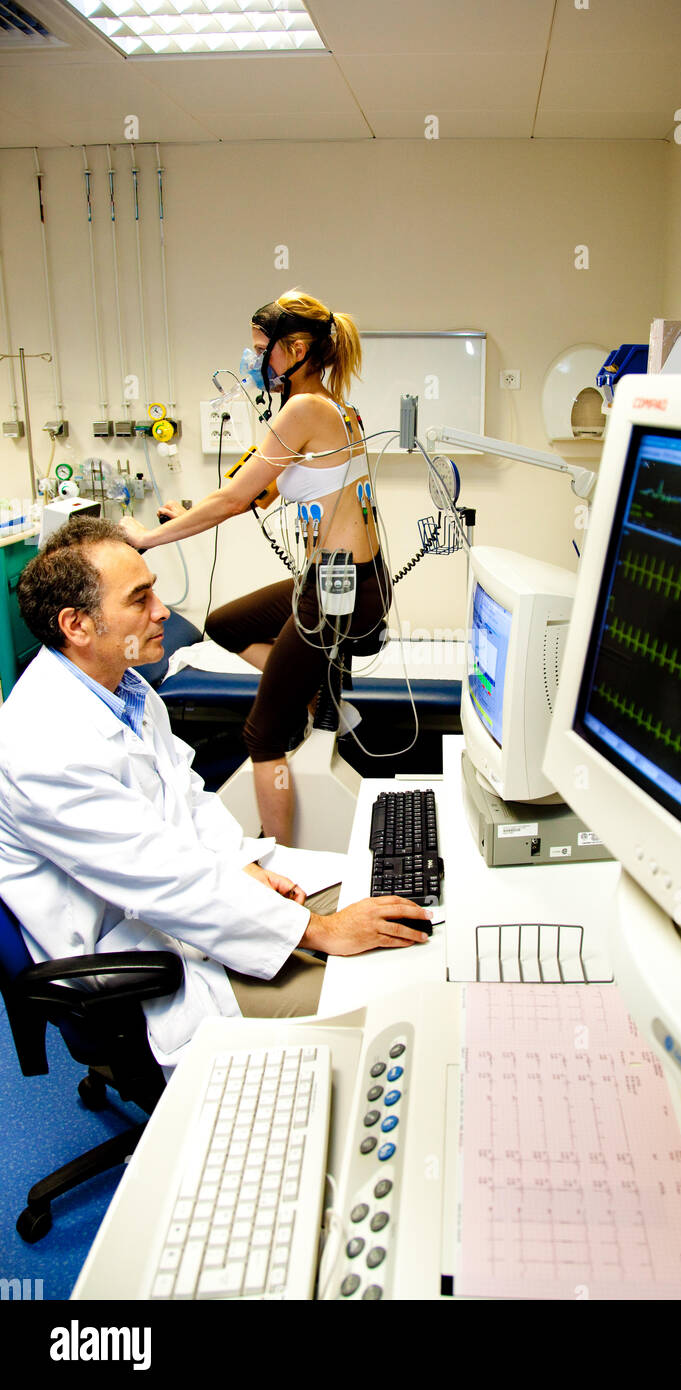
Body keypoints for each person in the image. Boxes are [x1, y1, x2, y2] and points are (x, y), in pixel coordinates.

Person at [0, 518, 428, 1069]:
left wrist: (245, 867)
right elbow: (161, 879)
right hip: (145, 960)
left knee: (396, 903)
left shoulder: (127, 691)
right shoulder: (42, 746)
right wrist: (320, 932)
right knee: (382, 1002)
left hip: (196, 903)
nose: (163, 611)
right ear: (77, 625)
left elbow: (191, 800)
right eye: (140, 598)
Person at [119, 289, 390, 847]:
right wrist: (195, 510)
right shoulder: (334, 406)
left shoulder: (304, 408)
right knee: (226, 624)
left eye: (260, 349)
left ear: (295, 348)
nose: (252, 361)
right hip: (347, 581)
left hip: (338, 589)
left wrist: (147, 538)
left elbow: (236, 500)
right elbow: (256, 490)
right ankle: (314, 692)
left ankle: (282, 866)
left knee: (262, 734)